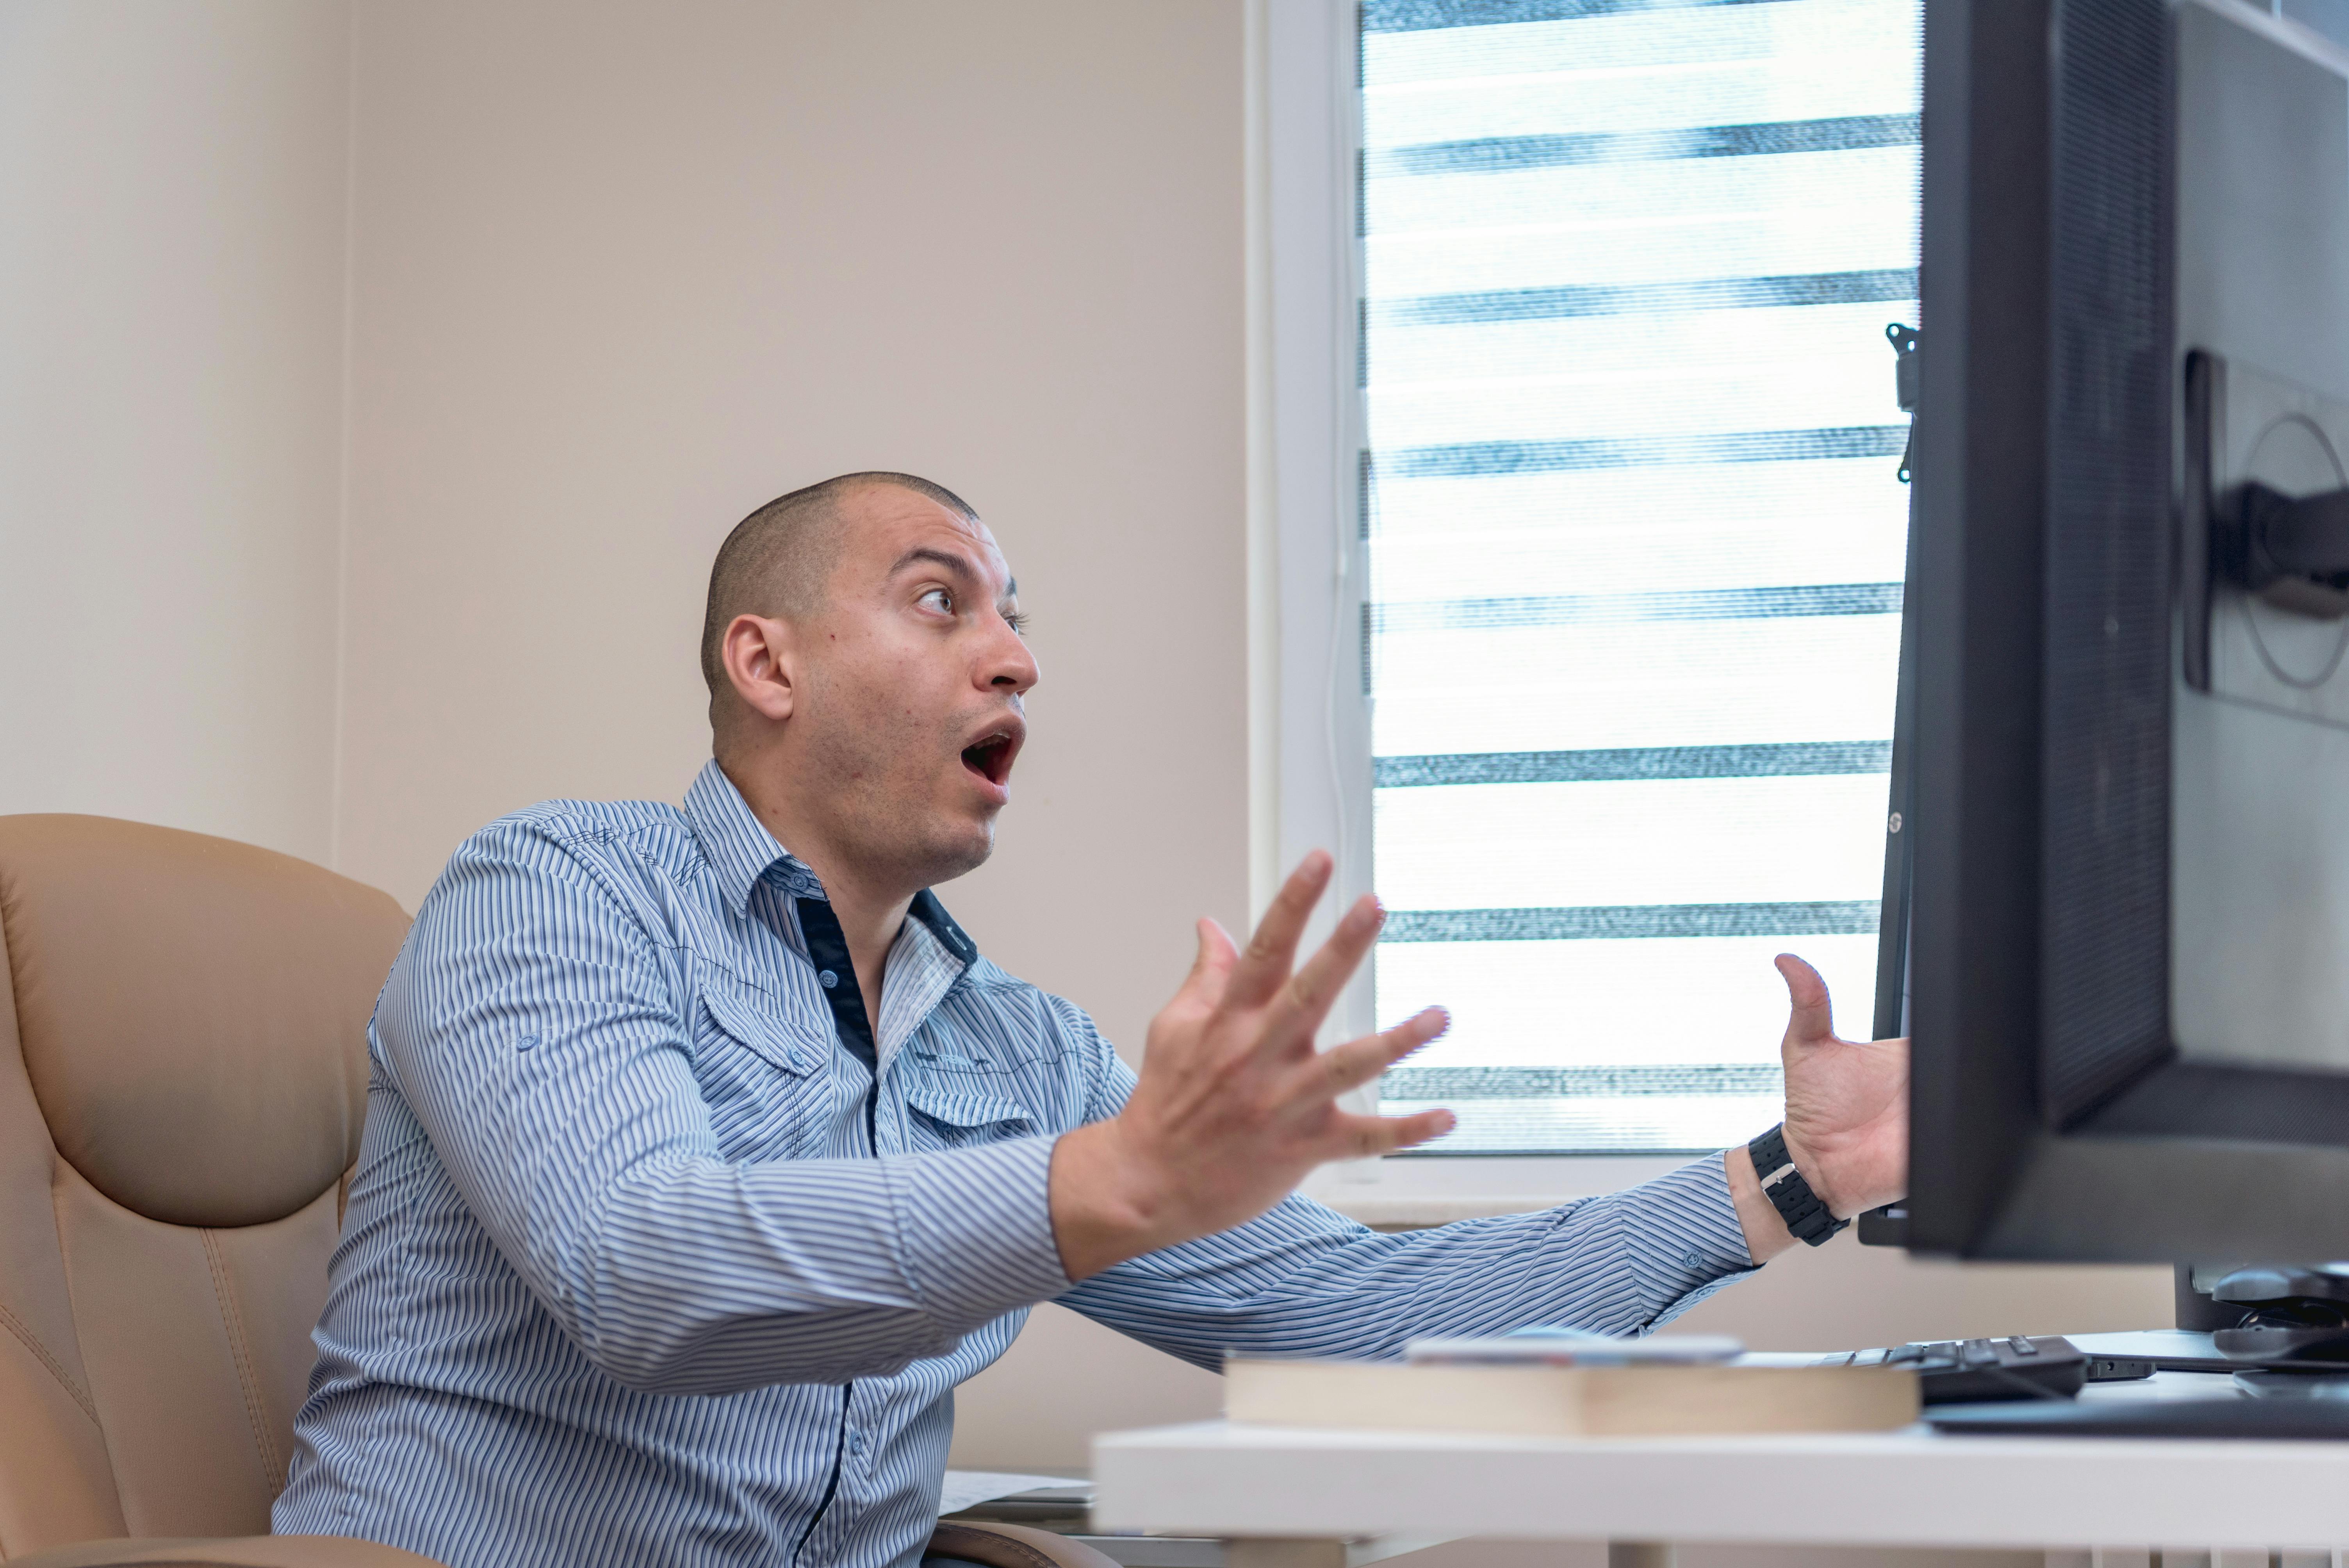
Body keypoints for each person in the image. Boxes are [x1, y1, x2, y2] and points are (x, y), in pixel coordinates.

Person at [274, 472, 1907, 1568]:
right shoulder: (554, 889)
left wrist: (1794, 1174)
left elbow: (1357, 1317)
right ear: (765, 663)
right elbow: (643, 1269)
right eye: (941, 602)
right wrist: (1105, 1184)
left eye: (1016, 617)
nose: (1017, 660)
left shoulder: (1020, 1054)